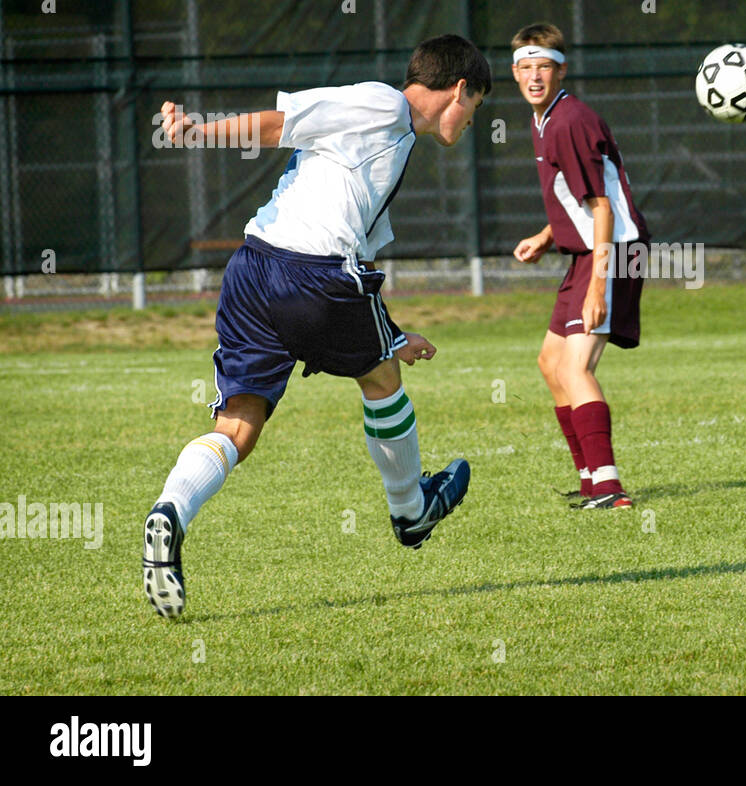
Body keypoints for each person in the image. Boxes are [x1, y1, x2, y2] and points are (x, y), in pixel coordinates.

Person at [142, 34, 490, 618]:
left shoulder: (395, 143)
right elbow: (281, 124)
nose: (472, 120)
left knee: (239, 427)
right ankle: (410, 510)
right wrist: (196, 129)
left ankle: (169, 511)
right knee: (381, 382)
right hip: (310, 273)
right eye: (476, 107)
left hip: (252, 268)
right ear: (459, 89)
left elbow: (365, 264)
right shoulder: (384, 105)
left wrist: (392, 333)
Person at [510, 23, 650, 509]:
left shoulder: (569, 121)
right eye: (525, 67)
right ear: (514, 72)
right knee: (551, 362)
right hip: (586, 253)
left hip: (612, 250)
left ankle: (610, 490)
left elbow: (604, 207)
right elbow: (578, 199)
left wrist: (598, 288)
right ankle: (591, 480)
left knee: (576, 365)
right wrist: (547, 236)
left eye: (543, 67)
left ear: (561, 69)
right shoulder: (545, 117)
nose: (533, 77)